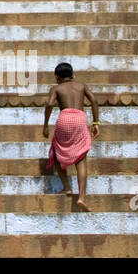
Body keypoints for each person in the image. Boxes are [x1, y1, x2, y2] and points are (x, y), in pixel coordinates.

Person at [43, 62, 100, 211]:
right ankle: (81, 197)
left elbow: (49, 104)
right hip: (80, 118)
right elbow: (94, 100)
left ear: (57, 77)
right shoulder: (81, 86)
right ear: (73, 75)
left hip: (64, 118)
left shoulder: (56, 88)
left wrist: (45, 125)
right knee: (81, 159)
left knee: (56, 153)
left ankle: (67, 187)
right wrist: (96, 123)